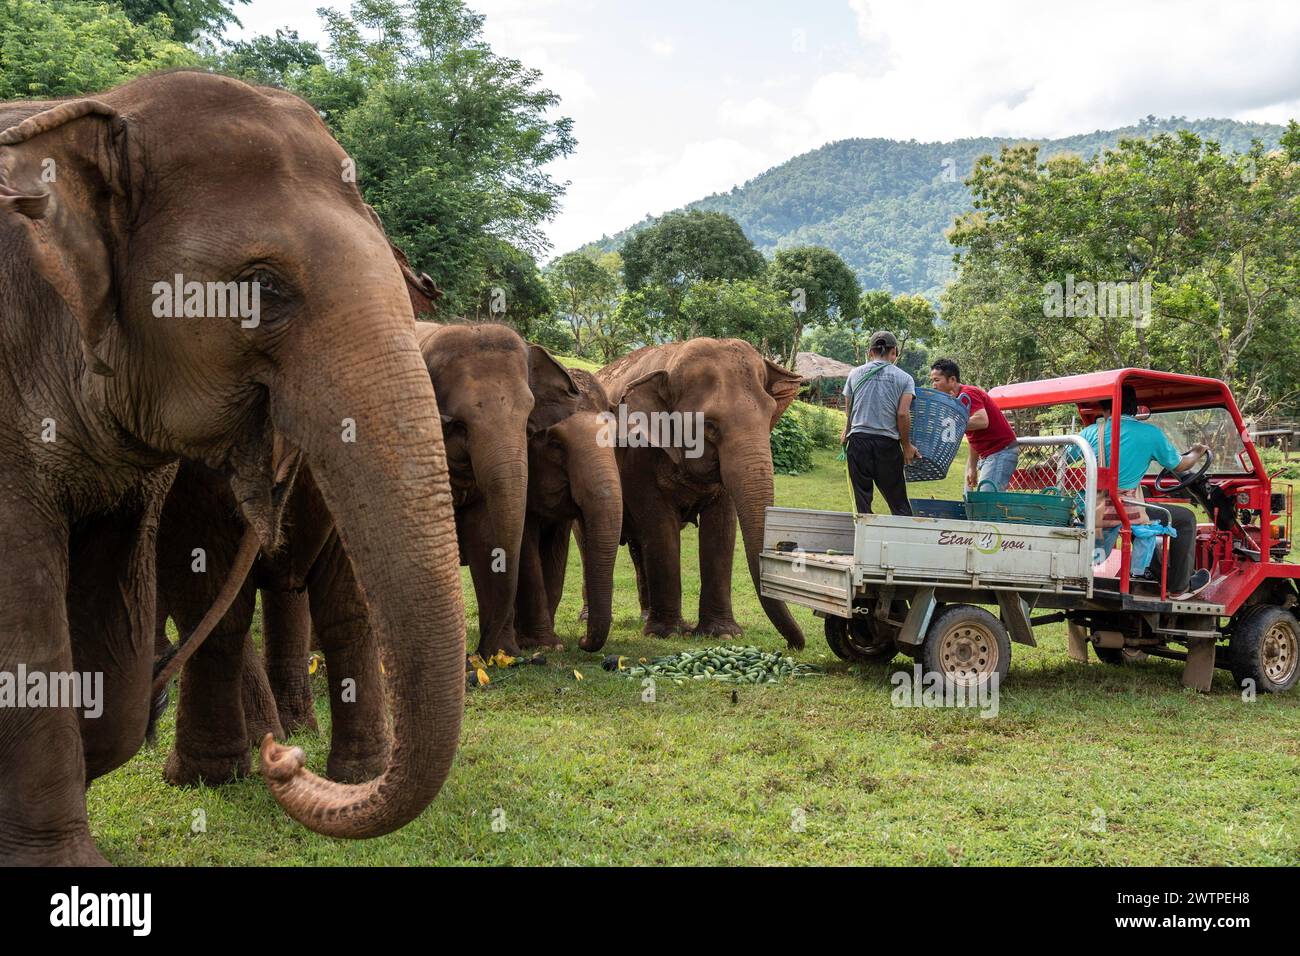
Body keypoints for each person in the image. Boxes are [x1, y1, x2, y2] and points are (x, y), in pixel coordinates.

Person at [1068, 384, 1211, 597]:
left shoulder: (1089, 433)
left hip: (1092, 508)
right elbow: (1181, 465)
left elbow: (1063, 459)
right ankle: (1179, 586)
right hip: (1124, 509)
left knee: (1145, 516)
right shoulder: (1150, 434)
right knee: (1184, 518)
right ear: (1135, 408)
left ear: (1103, 407)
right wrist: (1198, 452)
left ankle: (1160, 576)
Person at [840, 331, 918, 516]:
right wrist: (906, 446)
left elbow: (849, 410)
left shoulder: (854, 374)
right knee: (898, 502)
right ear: (894, 352)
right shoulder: (905, 378)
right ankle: (903, 541)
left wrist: (847, 432)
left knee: (863, 503)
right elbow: (902, 414)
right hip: (887, 445)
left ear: (870, 352)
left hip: (858, 443)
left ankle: (865, 541)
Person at [929, 358, 1019, 491]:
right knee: (969, 497)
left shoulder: (967, 393)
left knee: (987, 502)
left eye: (937, 380)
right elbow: (974, 436)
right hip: (987, 454)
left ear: (952, 380)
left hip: (1001, 451)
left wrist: (952, 424)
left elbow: (982, 421)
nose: (933, 385)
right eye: (932, 381)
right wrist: (972, 467)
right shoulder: (956, 401)